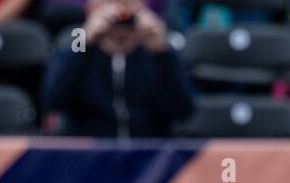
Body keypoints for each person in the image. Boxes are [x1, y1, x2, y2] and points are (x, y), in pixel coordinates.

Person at [40, 0, 196, 137]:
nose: (118, 13)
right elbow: (52, 100)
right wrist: (83, 42)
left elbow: (184, 111)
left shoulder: (158, 49)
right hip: (91, 153)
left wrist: (162, 53)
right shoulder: (77, 41)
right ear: (91, 9)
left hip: (148, 153)